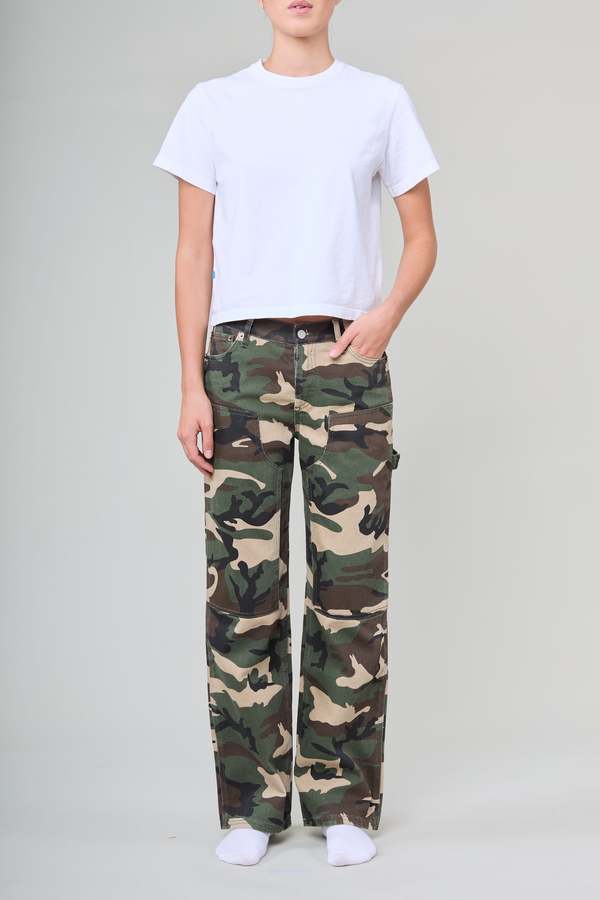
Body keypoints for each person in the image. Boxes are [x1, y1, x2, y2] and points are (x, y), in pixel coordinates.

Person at [152, 0, 438, 868]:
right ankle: (252, 808)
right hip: (240, 362)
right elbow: (192, 254)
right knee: (242, 586)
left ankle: (342, 802)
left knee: (351, 585)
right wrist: (191, 383)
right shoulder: (213, 104)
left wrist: (385, 316)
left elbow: (422, 238)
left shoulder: (380, 102)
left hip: (347, 360)